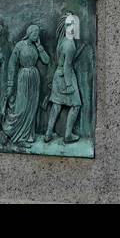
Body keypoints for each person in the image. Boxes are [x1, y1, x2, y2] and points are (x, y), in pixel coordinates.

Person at [0, 23, 49, 148]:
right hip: (23, 77)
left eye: (37, 34)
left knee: (31, 108)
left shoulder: (36, 46)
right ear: (29, 33)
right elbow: (12, 64)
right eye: (34, 34)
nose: (36, 36)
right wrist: (10, 84)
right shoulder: (19, 46)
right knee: (21, 107)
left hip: (34, 77)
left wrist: (40, 47)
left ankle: (25, 136)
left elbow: (46, 60)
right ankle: (9, 131)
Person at [44, 12, 83, 144]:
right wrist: (69, 85)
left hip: (57, 74)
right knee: (76, 105)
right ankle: (68, 135)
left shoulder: (62, 41)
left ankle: (48, 133)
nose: (72, 27)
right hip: (66, 76)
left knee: (56, 105)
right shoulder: (70, 45)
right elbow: (67, 66)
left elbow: (63, 60)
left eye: (73, 23)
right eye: (69, 24)